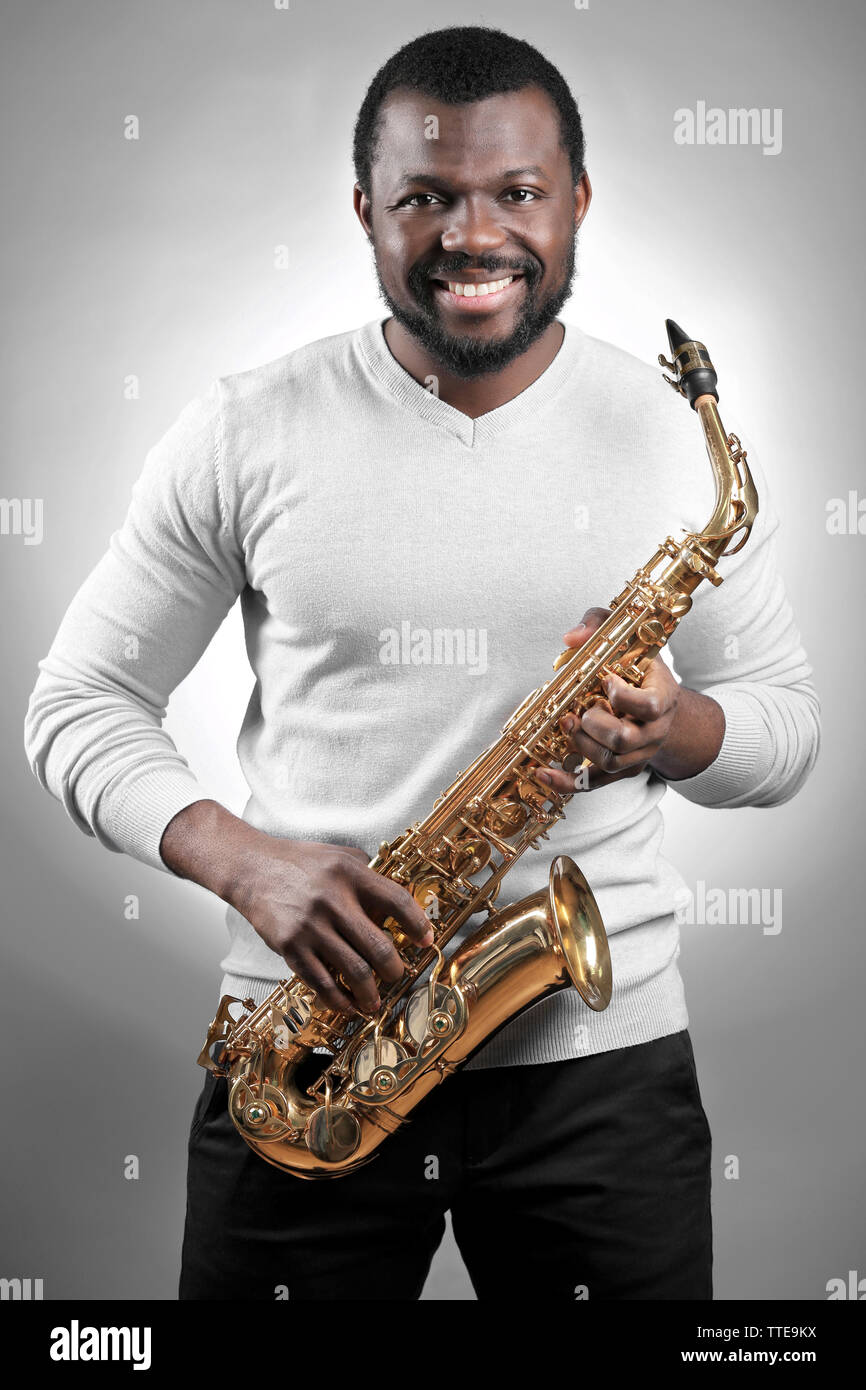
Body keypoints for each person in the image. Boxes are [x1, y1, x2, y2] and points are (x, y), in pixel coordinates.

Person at [24, 25, 820, 1301]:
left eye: (515, 192)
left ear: (575, 202)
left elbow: (784, 730)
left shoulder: (672, 440)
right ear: (364, 210)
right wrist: (240, 858)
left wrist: (675, 732)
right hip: (303, 1052)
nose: (473, 235)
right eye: (424, 198)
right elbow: (76, 702)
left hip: (597, 1080)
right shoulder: (245, 426)